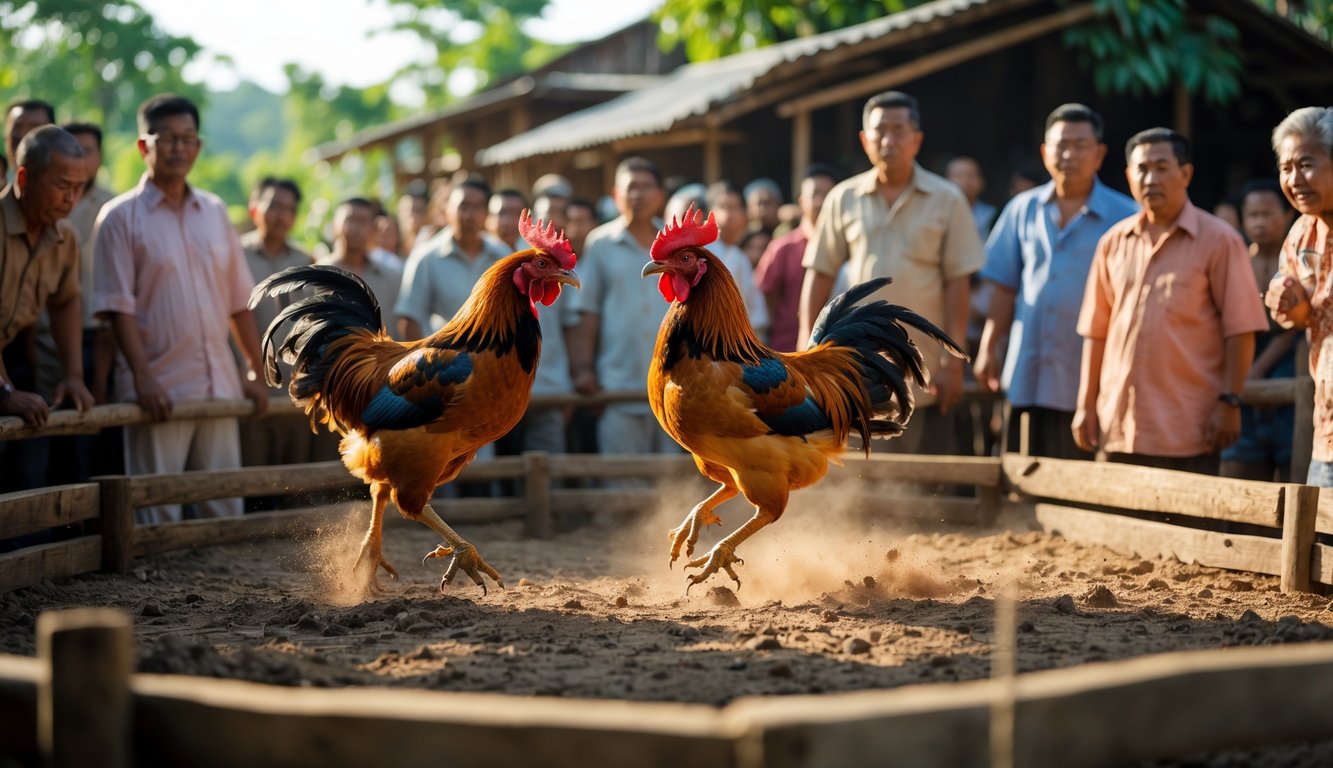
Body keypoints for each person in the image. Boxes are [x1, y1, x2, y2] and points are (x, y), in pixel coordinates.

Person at [93, 94, 269, 523]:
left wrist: (253, 367)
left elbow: (238, 300)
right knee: (155, 513)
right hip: (159, 391)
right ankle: (148, 592)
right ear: (143, 146)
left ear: (198, 146)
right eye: (167, 137)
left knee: (224, 509)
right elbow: (117, 309)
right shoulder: (119, 218)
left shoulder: (213, 211)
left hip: (219, 385)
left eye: (187, 138)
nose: (178, 147)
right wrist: (143, 376)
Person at [1073, 128, 1267, 474]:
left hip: (1190, 428)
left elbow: (1240, 330)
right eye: (1141, 169)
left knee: (1190, 528)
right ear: (1129, 176)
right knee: (1118, 527)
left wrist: (1230, 402)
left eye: (1162, 167)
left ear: (1186, 173)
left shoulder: (1220, 241)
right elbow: (1096, 332)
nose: (1150, 178)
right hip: (1118, 424)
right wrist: (1085, 405)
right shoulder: (1112, 242)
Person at [800, 90, 983, 454]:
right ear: (864, 140)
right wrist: (807, 350)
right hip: (856, 366)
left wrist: (952, 360)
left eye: (899, 130)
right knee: (861, 479)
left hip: (926, 364)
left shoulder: (948, 199)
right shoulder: (843, 197)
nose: (888, 140)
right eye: (879, 131)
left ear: (916, 139)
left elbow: (957, 283)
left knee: (927, 477)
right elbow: (818, 275)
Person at [975, 104, 1138, 458]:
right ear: (1045, 153)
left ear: (1099, 154)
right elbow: (1004, 284)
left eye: (1080, 145)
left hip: (1089, 373)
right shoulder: (1022, 208)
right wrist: (990, 345)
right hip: (1027, 367)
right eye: (1060, 145)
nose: (1069, 154)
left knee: (1080, 479)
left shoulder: (1127, 215)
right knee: (1019, 471)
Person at [0, 126, 95, 491]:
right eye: (62, 186)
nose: (71, 198)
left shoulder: (63, 235)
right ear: (24, 177)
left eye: (80, 187)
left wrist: (72, 373)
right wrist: (4, 393)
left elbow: (66, 300)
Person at [568, 156, 674, 461]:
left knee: (672, 478)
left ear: (659, 195)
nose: (637, 195)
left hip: (672, 385)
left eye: (645, 187)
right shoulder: (600, 243)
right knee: (621, 484)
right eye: (631, 188)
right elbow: (587, 311)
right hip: (616, 384)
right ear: (616, 195)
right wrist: (584, 369)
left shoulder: (673, 246)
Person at [1264, 107, 1333, 488]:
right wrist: (1289, 304)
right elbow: (1304, 316)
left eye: (1305, 164)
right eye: (1286, 167)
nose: (1294, 179)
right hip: (1326, 435)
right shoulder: (1300, 235)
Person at [237, 176, 316, 508]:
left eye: (289, 209)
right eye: (274, 206)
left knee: (295, 477)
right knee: (253, 474)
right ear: (255, 208)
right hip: (248, 386)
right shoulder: (235, 255)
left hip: (295, 387)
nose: (280, 215)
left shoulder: (307, 261)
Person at [1220, 180, 1298, 481]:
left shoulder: (1295, 262)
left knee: (1293, 463)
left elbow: (1291, 328)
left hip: (1288, 363)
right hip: (1241, 365)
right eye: (1253, 215)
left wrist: (1257, 368)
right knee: (1240, 467)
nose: (1260, 223)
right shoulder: (1235, 262)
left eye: (1267, 214)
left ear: (1287, 215)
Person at [396, 177, 510, 341]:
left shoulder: (502, 255)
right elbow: (409, 318)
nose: (469, 215)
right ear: (448, 210)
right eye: (463, 206)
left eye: (477, 207)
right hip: (443, 362)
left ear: (486, 213)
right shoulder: (425, 258)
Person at [754, 163, 838, 353]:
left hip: (837, 355)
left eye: (828, 195)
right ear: (802, 202)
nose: (820, 201)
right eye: (815, 194)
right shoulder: (782, 248)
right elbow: (763, 299)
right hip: (787, 354)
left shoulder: (847, 249)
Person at [705, 180, 769, 337]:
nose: (729, 215)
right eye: (723, 207)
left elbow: (754, 308)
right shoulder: (702, 251)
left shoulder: (740, 257)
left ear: (745, 213)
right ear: (710, 212)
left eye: (735, 208)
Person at [946, 155, 998, 238]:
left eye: (971, 175)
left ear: (981, 181)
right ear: (945, 181)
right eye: (959, 175)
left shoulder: (992, 215)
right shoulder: (938, 214)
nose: (965, 181)